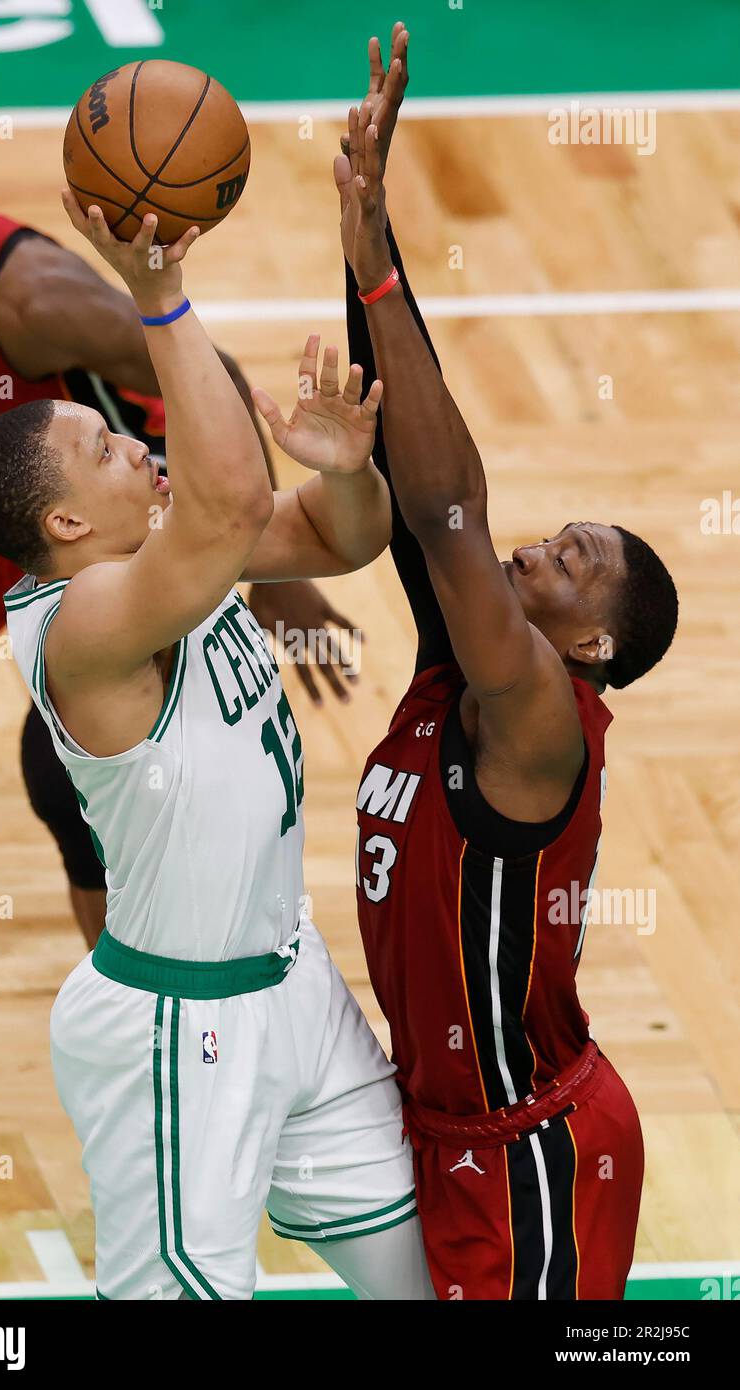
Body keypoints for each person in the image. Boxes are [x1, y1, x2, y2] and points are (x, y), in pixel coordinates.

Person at [0, 192, 435, 1302]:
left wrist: (348, 468)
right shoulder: (82, 630)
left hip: (291, 984)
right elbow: (226, 511)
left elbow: (337, 537)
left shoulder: (180, 548)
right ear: (66, 525)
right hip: (178, 1031)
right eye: (104, 448)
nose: (132, 443)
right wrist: (157, 295)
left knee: (426, 1271)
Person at [339, 27, 678, 1300]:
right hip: (430, 1125)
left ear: (590, 643)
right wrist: (359, 226)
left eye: (577, 557)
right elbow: (418, 474)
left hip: (530, 1149)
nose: (548, 542)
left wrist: (374, 257)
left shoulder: (541, 712)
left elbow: (448, 518)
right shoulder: (465, 680)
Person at [0, 68, 361, 948]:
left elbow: (208, 367)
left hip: (118, 500)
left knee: (57, 765)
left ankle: (127, 966)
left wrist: (263, 556)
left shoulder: (31, 299)